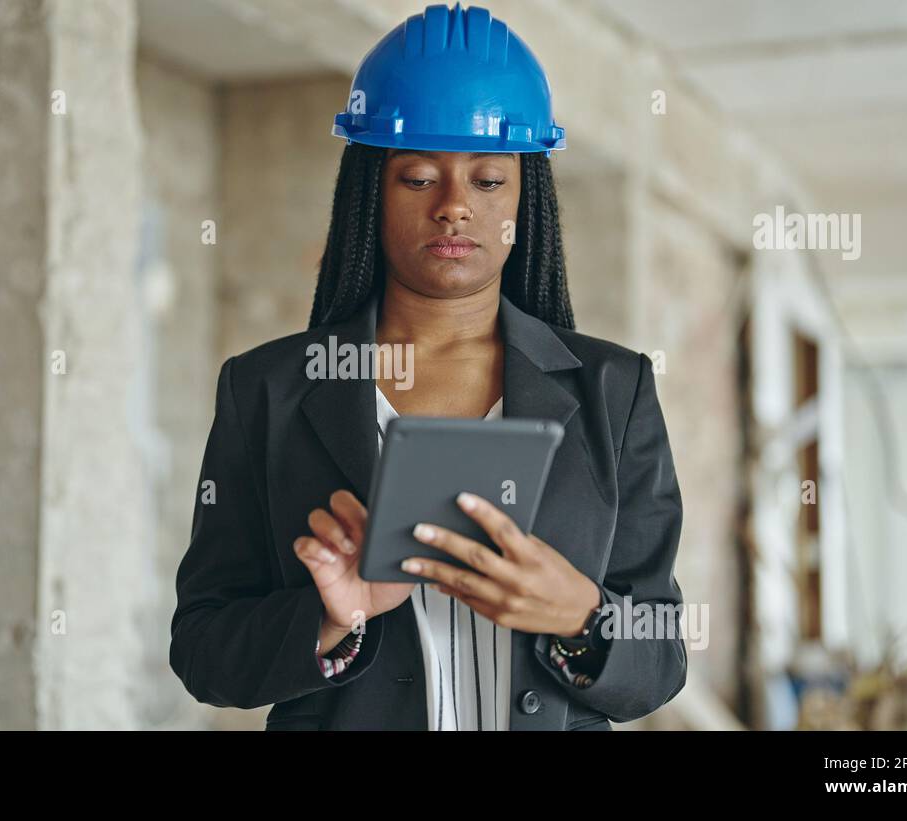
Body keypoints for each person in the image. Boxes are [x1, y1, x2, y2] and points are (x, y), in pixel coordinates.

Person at [169, 2, 686, 731]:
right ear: (369, 193)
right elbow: (201, 649)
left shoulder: (614, 390)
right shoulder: (268, 391)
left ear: (524, 199)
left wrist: (582, 615)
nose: (453, 208)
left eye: (487, 180)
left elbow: (661, 654)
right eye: (417, 178)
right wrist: (328, 616)